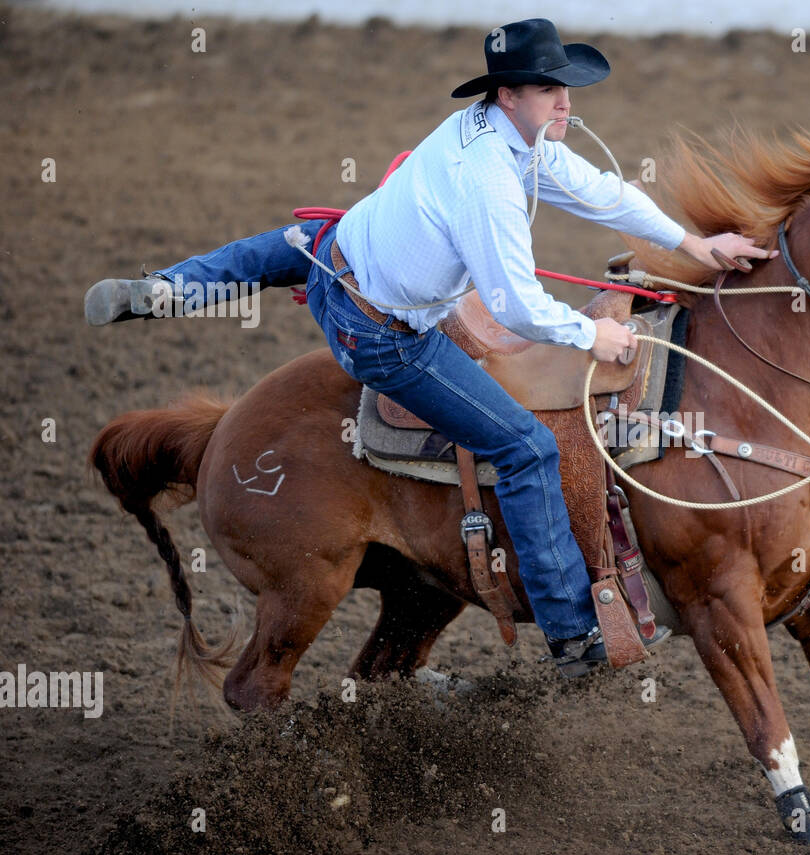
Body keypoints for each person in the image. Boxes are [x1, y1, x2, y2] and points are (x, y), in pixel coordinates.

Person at [84, 17, 774, 676]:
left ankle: (163, 289)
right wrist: (595, 332)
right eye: (548, 88)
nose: (566, 101)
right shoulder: (490, 184)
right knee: (525, 447)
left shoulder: (488, 131)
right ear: (509, 96)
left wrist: (691, 243)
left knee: (252, 257)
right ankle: (570, 631)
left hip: (334, 250)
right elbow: (513, 306)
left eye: (565, 87)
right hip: (381, 335)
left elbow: (598, 191)